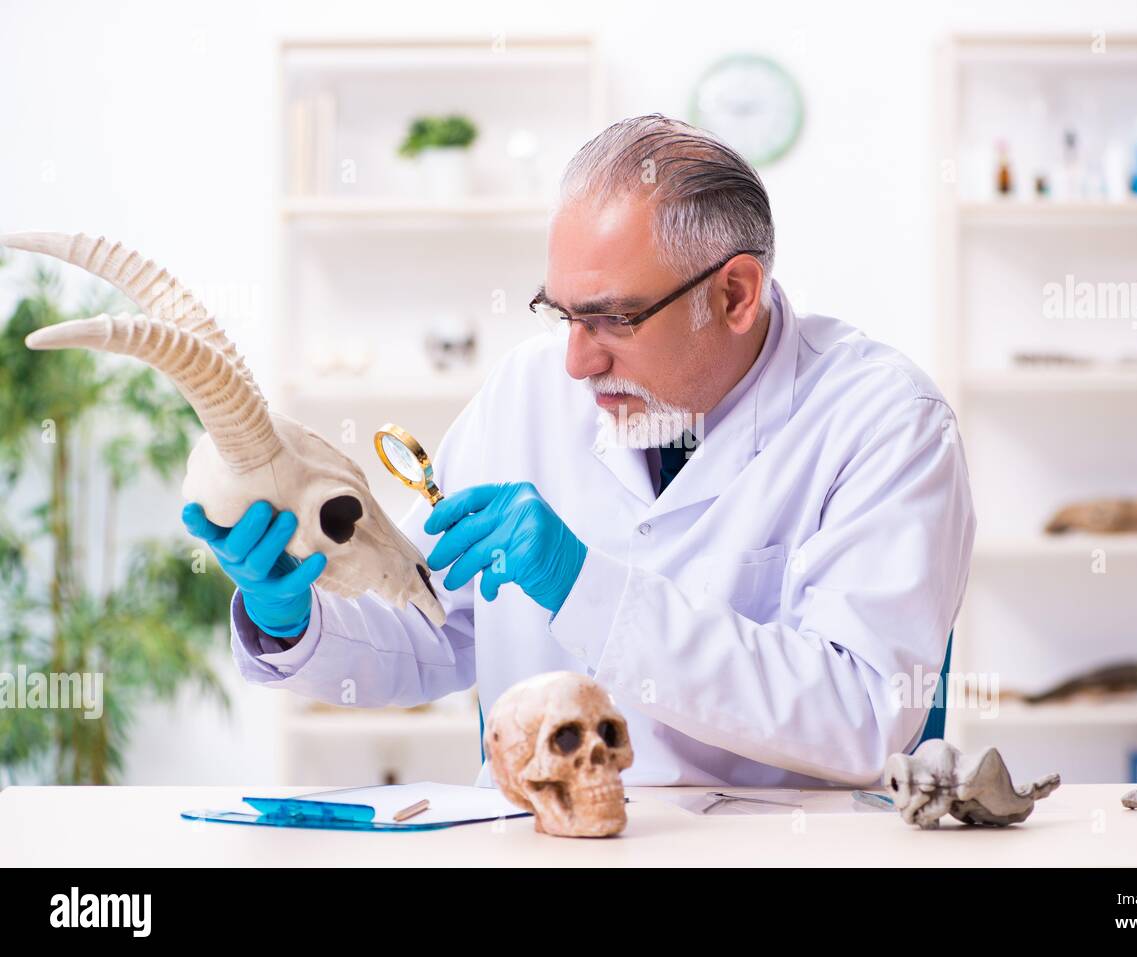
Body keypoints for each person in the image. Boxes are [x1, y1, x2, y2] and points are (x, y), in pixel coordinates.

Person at [184, 114, 976, 787]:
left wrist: (583, 586)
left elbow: (865, 715)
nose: (576, 362)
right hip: (545, 840)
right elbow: (435, 622)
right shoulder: (528, 391)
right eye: (559, 313)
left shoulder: (885, 423)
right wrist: (291, 612)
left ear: (735, 294)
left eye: (612, 320)